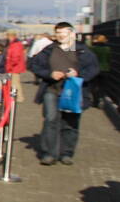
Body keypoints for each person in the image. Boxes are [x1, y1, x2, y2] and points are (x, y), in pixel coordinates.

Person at [28, 22, 100, 165]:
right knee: (50, 120)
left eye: (63, 33)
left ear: (72, 34)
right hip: (52, 89)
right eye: (58, 33)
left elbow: (94, 69)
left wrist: (78, 74)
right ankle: (49, 153)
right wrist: (49, 74)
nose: (60, 36)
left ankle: (66, 152)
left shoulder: (82, 51)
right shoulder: (49, 50)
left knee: (70, 122)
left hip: (74, 91)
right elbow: (33, 65)